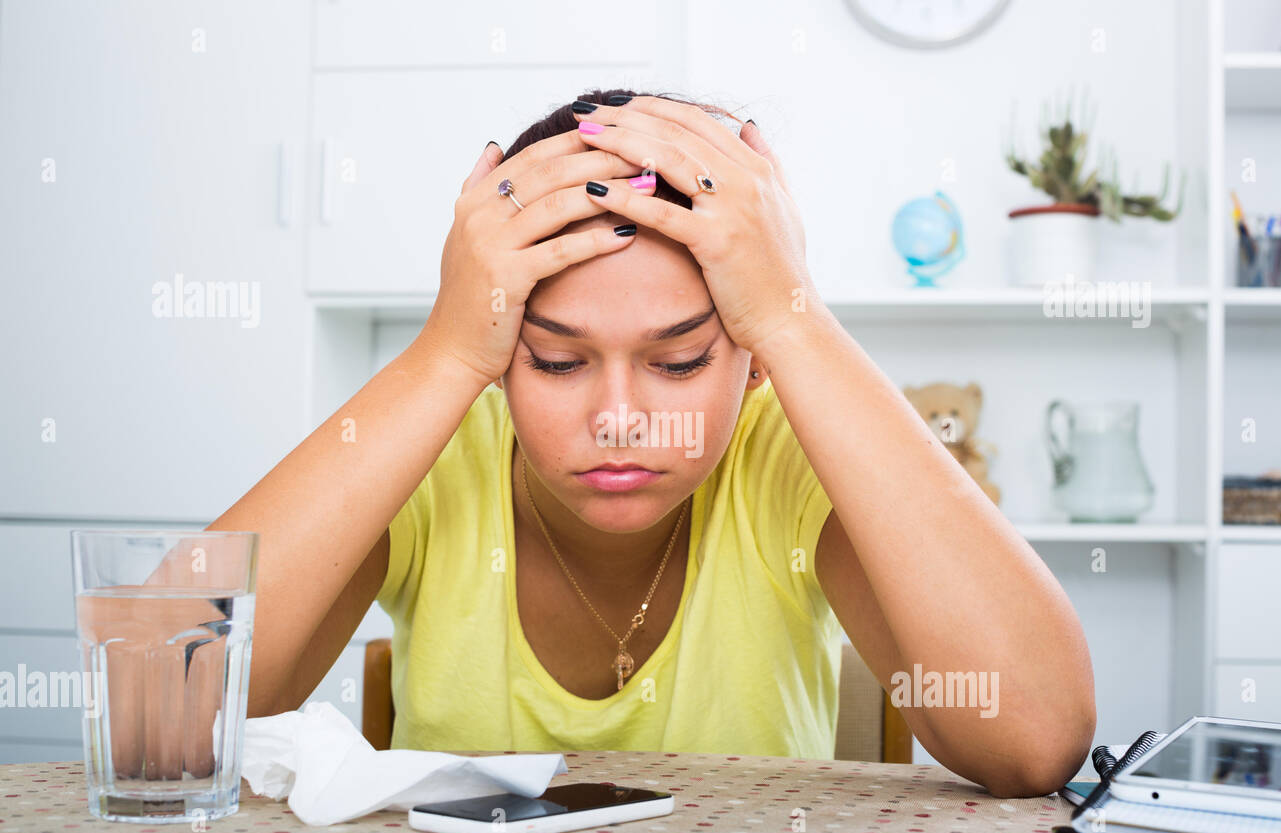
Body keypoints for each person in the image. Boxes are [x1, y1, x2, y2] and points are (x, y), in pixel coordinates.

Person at [213, 88, 1095, 797]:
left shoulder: (786, 457)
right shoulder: (441, 454)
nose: (621, 419)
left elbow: (1036, 743)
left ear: (749, 359)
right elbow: (163, 721)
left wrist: (798, 323)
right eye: (557, 361)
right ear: (498, 361)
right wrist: (443, 351)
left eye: (679, 360)